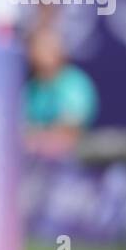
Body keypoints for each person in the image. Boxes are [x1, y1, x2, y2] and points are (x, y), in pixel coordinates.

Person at [24, 23, 99, 159]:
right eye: (38, 46)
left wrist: (40, 140)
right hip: (32, 164)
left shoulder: (76, 84)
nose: (41, 52)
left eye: (47, 47)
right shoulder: (30, 88)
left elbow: (72, 129)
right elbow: (21, 130)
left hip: (72, 163)